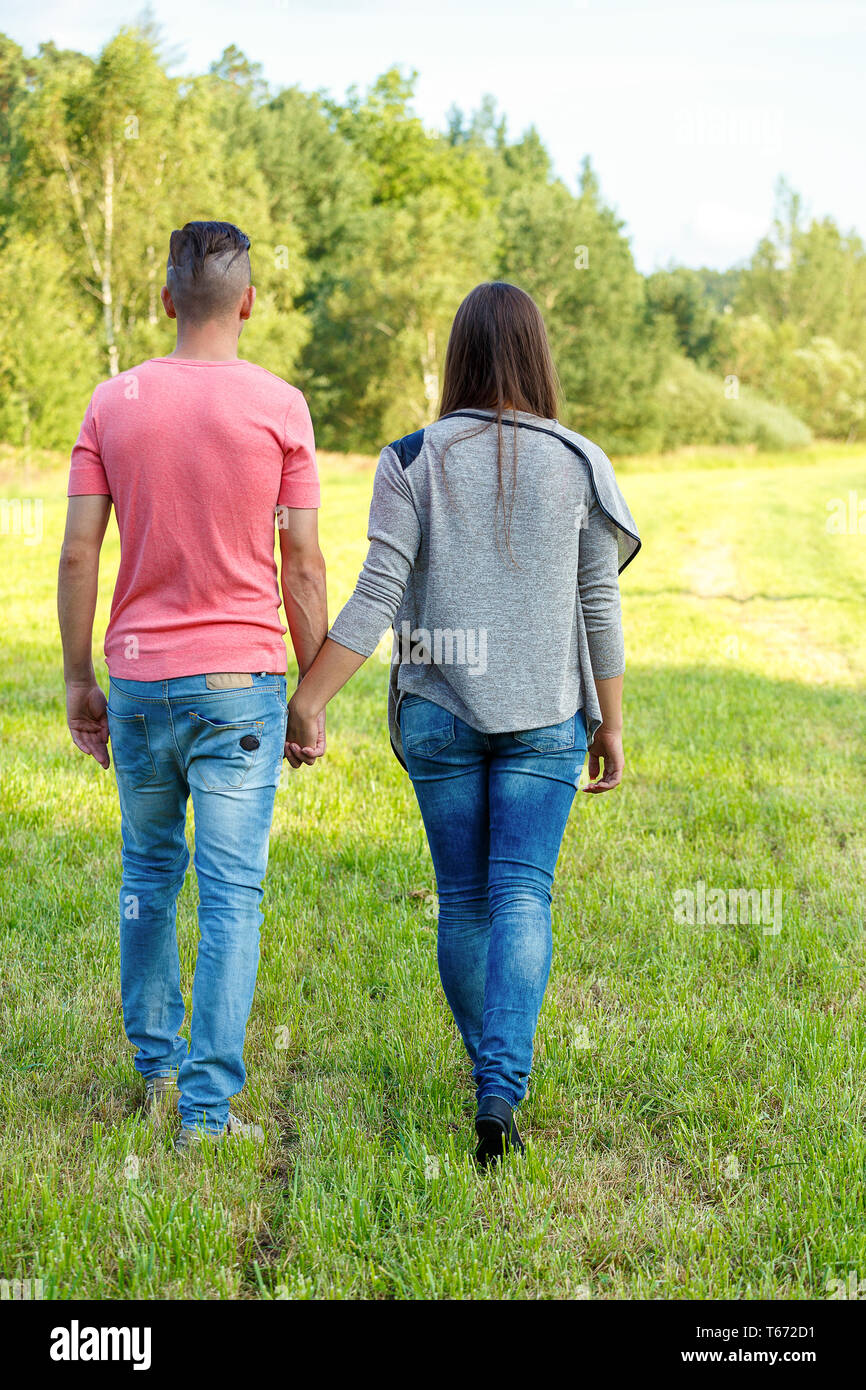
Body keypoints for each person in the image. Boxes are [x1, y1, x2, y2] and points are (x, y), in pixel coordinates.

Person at [286, 280, 640, 1165]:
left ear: (459, 356)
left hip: (438, 715)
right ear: (538, 356)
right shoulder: (582, 463)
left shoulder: (410, 458)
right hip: (548, 715)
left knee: (466, 902)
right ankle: (501, 1090)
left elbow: (377, 594)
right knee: (523, 893)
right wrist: (613, 723)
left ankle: (491, 1078)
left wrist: (310, 697)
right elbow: (600, 602)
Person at [57, 220, 327, 1151]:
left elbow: (78, 552)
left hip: (135, 680)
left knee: (147, 874)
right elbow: (303, 561)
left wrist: (75, 678)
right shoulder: (281, 407)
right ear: (248, 301)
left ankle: (156, 1066)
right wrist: (312, 690)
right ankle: (205, 1114)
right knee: (230, 895)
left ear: (167, 299)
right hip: (240, 684)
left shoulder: (113, 401)